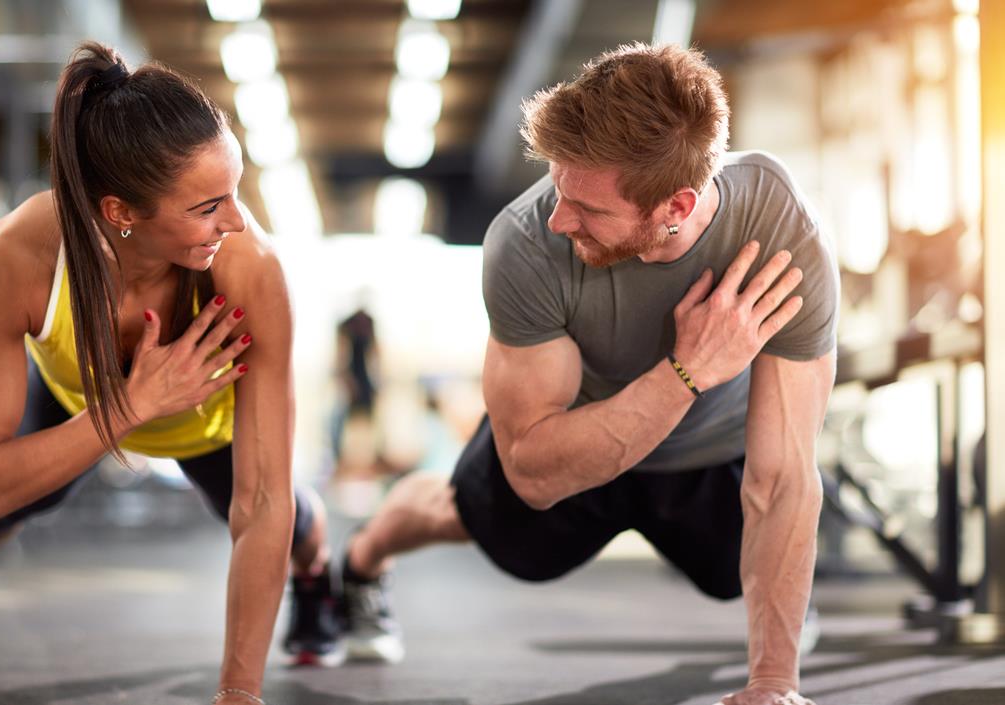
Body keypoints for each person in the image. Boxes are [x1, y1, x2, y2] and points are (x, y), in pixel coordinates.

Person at [337, 43, 838, 705]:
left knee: (746, 561)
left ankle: (779, 613)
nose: (557, 216)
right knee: (461, 513)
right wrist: (684, 371)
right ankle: (358, 562)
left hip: (708, 456)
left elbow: (779, 477)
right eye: (557, 185)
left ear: (675, 208)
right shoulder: (523, 241)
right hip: (575, 435)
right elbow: (533, 474)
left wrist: (773, 683)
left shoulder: (781, 231)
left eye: (589, 210)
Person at [0, 42, 343, 703]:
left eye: (234, 189)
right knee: (14, 499)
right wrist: (129, 407)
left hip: (204, 413)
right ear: (120, 213)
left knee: (286, 517)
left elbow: (263, 501)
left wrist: (238, 692)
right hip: (79, 393)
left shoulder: (251, 267)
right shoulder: (9, 259)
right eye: (206, 206)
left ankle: (318, 581)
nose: (237, 218)